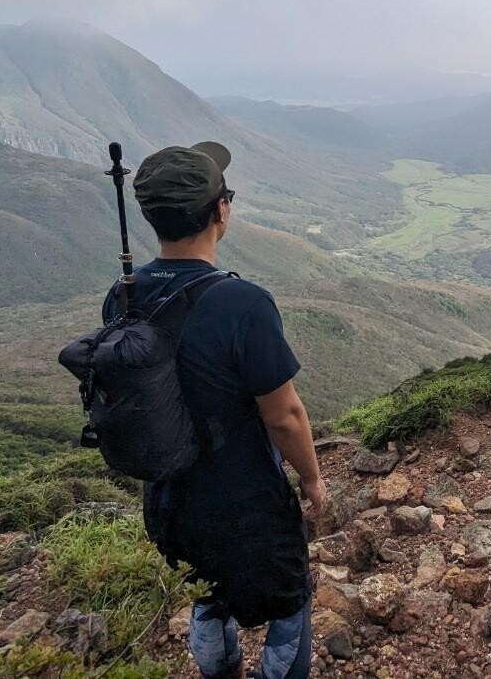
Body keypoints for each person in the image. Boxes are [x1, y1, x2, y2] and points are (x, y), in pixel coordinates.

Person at [102, 141, 327, 679]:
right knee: (290, 601)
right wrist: (313, 482)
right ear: (220, 211)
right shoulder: (243, 302)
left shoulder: (122, 295)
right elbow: (285, 416)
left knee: (206, 595)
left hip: (168, 499)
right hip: (245, 498)